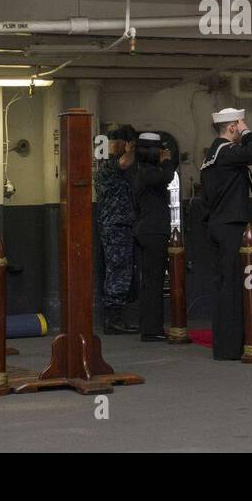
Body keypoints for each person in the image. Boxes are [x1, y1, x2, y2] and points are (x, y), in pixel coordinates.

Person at [199, 107, 252, 360]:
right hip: (230, 225)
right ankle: (232, 346)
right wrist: (246, 129)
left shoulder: (211, 156)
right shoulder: (226, 152)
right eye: (239, 125)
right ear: (232, 127)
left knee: (224, 285)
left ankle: (226, 344)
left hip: (216, 223)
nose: (242, 128)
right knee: (234, 286)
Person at [128, 132, 178, 342]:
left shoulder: (141, 171)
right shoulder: (148, 173)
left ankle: (149, 326)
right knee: (154, 281)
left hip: (146, 230)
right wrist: (166, 160)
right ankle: (151, 329)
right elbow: (168, 176)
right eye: (159, 150)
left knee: (150, 281)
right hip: (153, 231)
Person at [95, 125, 138, 335]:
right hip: (116, 226)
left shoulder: (104, 164)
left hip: (115, 224)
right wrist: (132, 150)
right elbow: (124, 162)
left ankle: (115, 317)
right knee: (118, 270)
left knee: (117, 269)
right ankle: (113, 319)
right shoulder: (110, 164)